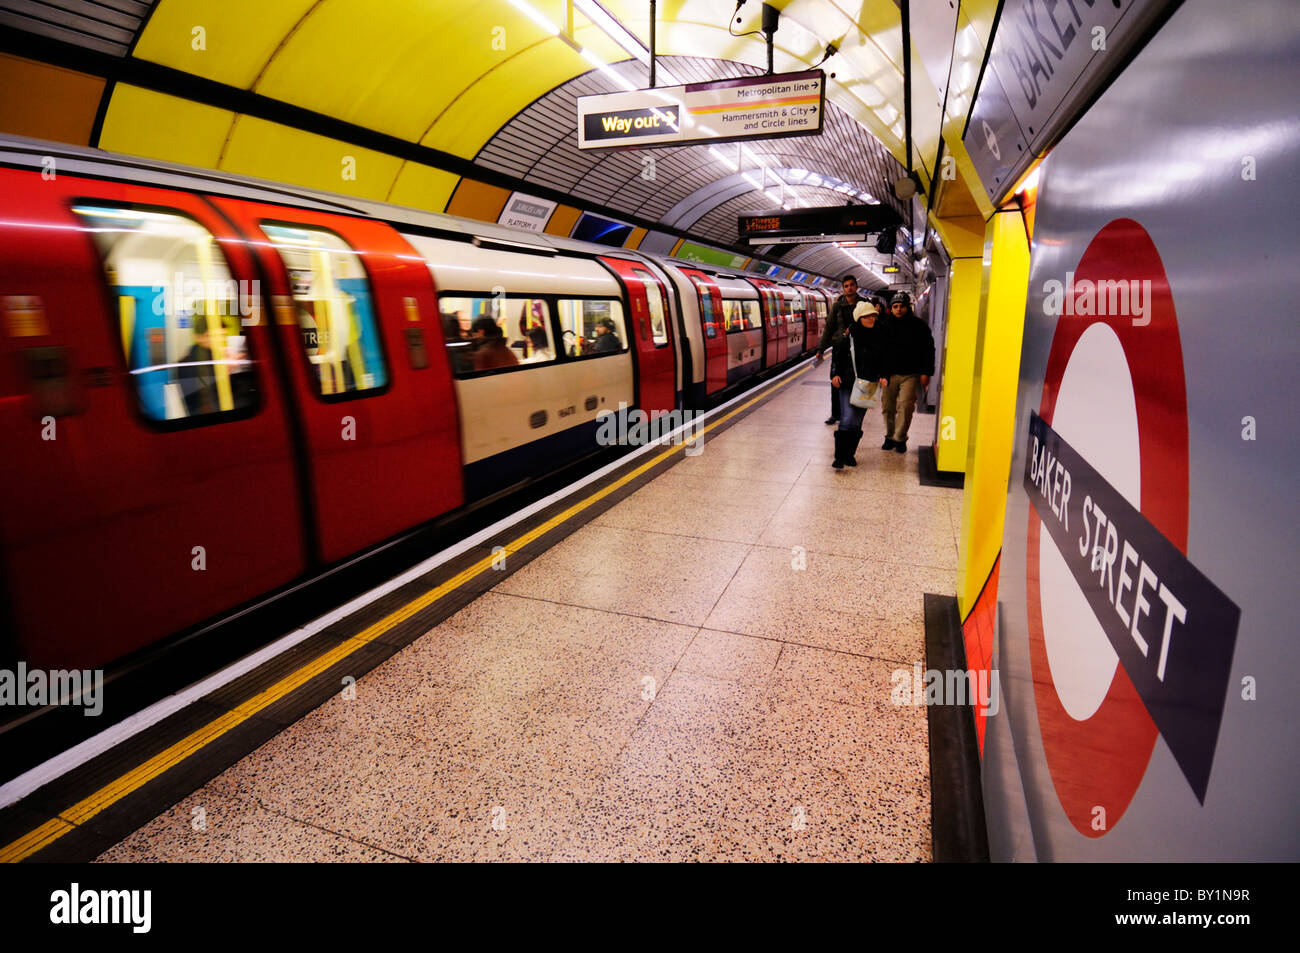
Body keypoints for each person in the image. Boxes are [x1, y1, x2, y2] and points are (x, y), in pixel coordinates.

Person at [828, 300, 890, 468]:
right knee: (847, 419)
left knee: (856, 422)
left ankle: (850, 455)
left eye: (873, 315)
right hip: (848, 382)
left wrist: (884, 375)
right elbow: (838, 357)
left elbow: (885, 359)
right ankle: (839, 458)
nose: (871, 318)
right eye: (866, 316)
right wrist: (835, 375)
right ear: (858, 318)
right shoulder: (849, 336)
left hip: (868, 383)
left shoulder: (880, 336)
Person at [879, 291, 935, 453]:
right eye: (895, 306)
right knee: (888, 407)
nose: (898, 309)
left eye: (902, 306)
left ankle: (900, 438)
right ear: (891, 308)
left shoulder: (919, 326)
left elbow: (928, 350)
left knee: (905, 406)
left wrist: (927, 372)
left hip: (910, 374)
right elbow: (879, 351)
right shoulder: (884, 325)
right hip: (889, 375)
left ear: (907, 307)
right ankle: (889, 436)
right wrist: (881, 374)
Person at [814, 274, 863, 425]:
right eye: (846, 286)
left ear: (856, 287)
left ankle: (854, 411)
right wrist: (821, 349)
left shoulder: (863, 304)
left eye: (852, 285)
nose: (849, 288)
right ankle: (835, 414)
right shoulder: (837, 306)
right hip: (840, 347)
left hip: (859, 348)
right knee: (836, 380)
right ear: (843, 288)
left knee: (856, 381)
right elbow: (829, 327)